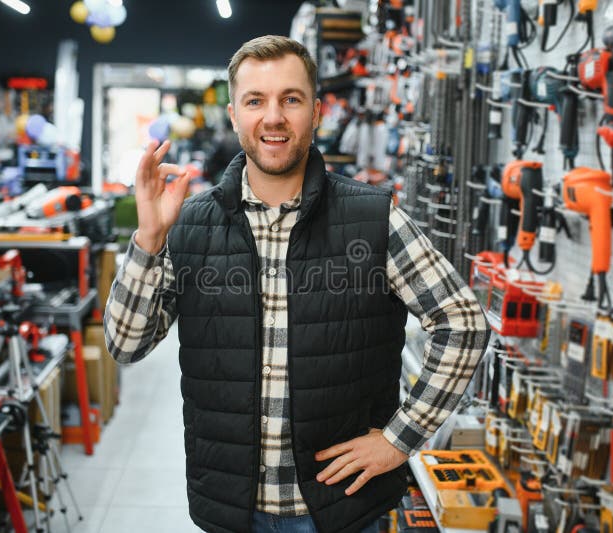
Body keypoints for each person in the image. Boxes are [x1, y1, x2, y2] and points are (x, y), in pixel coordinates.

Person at [104, 35, 489, 533]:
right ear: (235, 113)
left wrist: (399, 440)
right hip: (229, 508)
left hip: (343, 512)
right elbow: (125, 344)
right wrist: (150, 237)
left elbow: (463, 323)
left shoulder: (374, 219)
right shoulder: (189, 226)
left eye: (291, 99)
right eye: (255, 101)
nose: (273, 118)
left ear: (317, 111)